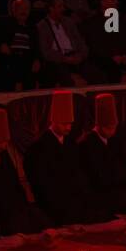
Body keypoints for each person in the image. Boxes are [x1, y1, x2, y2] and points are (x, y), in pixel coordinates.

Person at [24, 90, 111, 224]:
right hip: (54, 197)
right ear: (54, 121)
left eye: (70, 123)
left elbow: (78, 171)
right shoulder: (39, 147)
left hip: (74, 194)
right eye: (64, 124)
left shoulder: (70, 143)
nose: (68, 127)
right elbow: (40, 182)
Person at [0, 107, 50, 236]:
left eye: (5, 142)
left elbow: (14, 182)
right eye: (0, 142)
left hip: (12, 205)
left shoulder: (4, 154)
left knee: (39, 218)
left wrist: (23, 204)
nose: (3, 146)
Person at [79, 93, 126, 216]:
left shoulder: (115, 139)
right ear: (99, 125)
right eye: (108, 128)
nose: (112, 131)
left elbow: (124, 164)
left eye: (114, 127)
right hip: (102, 189)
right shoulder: (87, 142)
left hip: (120, 186)